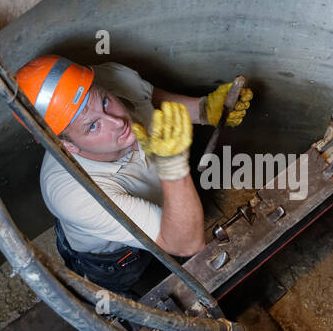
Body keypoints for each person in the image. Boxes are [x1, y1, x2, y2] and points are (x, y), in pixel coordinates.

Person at [16, 55, 252, 295]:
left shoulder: (106, 80)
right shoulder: (73, 194)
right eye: (93, 126)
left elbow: (147, 98)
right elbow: (186, 244)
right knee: (124, 285)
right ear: (69, 147)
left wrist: (202, 109)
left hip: (158, 203)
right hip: (114, 257)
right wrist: (173, 169)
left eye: (106, 102)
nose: (117, 122)